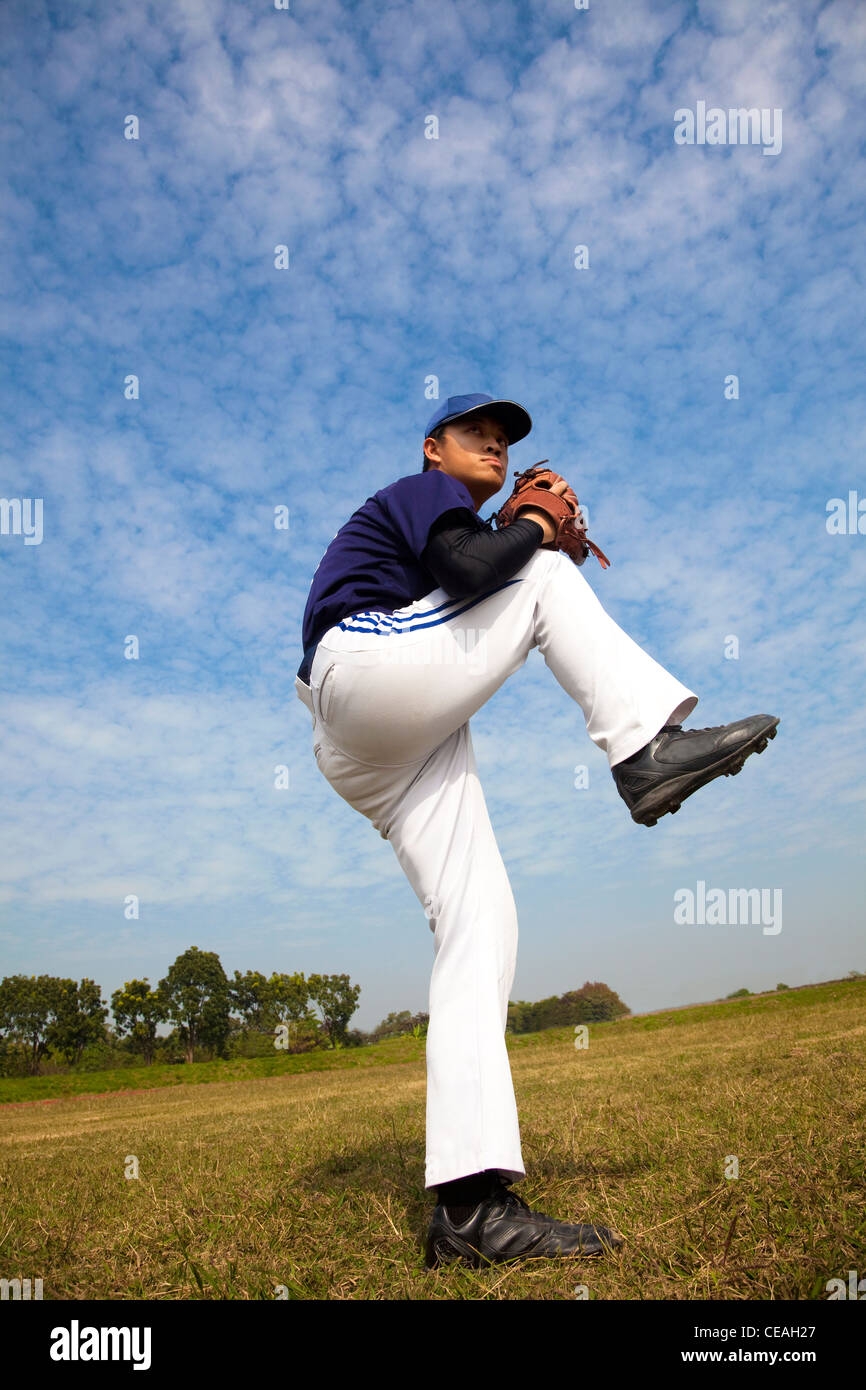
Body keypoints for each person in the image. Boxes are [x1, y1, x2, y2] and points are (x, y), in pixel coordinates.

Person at [293, 393, 779, 1269]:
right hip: (361, 670)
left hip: (393, 739)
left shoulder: (468, 526)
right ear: (433, 449)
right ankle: (645, 749)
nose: (493, 442)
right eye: (475, 432)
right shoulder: (417, 492)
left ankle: (471, 1213)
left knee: (482, 927)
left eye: (504, 437)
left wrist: (524, 527)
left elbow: (474, 578)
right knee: (549, 576)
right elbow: (478, 569)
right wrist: (535, 528)